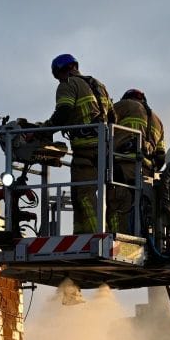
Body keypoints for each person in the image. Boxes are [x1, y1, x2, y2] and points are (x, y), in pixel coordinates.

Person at [42, 54, 114, 233]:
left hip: (85, 149)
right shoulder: (98, 85)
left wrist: (42, 131)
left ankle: (92, 235)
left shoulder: (67, 83)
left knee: (82, 195)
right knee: (96, 194)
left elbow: (63, 112)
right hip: (105, 149)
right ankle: (84, 233)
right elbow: (113, 118)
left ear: (58, 71)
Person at [108, 89, 166, 234]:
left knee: (117, 204)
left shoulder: (126, 105)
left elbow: (105, 118)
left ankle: (116, 237)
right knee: (139, 209)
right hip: (145, 173)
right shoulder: (158, 121)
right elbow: (161, 157)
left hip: (124, 166)